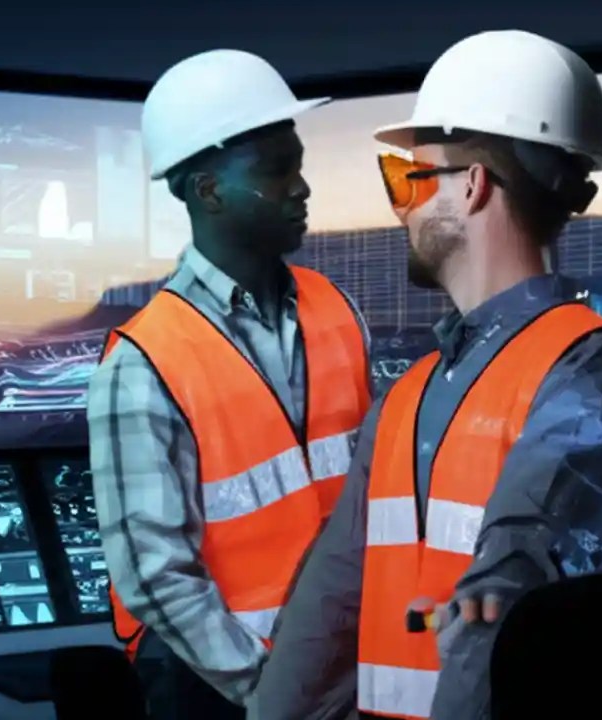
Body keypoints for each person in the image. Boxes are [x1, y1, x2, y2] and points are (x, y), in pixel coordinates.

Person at [249, 30, 602, 720]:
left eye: (408, 179)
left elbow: (510, 600)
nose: (401, 208)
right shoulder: (410, 396)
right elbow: (331, 601)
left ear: (471, 187)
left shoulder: (587, 367)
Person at [86, 49, 375, 718]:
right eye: (278, 170)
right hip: (224, 691)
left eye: (298, 165)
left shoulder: (337, 310)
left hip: (349, 675)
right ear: (209, 189)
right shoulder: (143, 362)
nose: (302, 188)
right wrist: (276, 692)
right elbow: (155, 576)